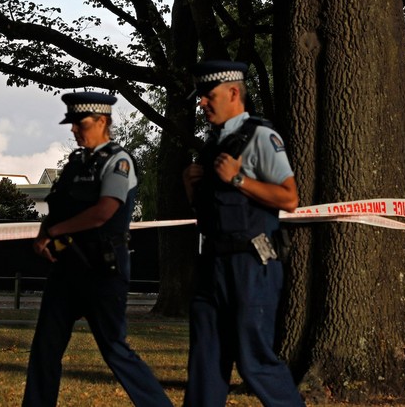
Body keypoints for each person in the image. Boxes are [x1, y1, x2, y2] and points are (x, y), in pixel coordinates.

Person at [22, 91, 172, 407]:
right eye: (72, 124)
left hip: (103, 267)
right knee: (45, 347)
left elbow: (105, 210)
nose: (74, 130)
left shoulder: (118, 161)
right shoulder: (76, 162)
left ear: (102, 121)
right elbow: (56, 206)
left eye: (81, 123)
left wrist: (56, 231)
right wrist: (43, 234)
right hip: (67, 267)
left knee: (114, 348)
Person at [182, 60, 304, 407]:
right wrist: (191, 188)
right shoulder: (211, 145)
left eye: (209, 96)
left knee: (255, 363)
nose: (202, 103)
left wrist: (239, 178)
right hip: (212, 266)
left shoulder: (261, 137)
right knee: (205, 364)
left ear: (234, 92)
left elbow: (290, 198)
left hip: (252, 264)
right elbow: (211, 212)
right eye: (201, 97)